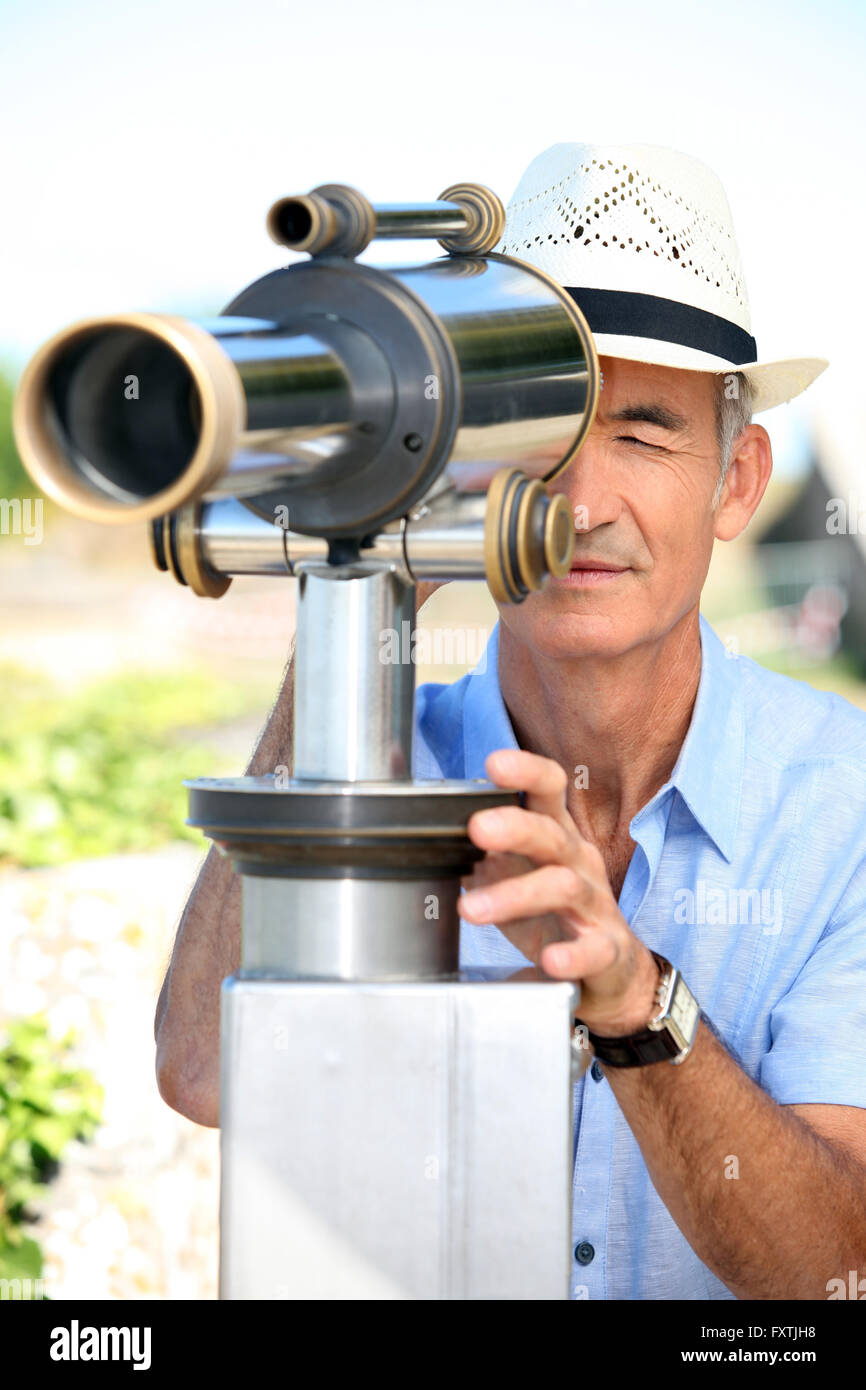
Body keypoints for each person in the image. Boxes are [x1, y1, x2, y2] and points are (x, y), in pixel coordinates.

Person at [155, 142, 866, 1301]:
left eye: (641, 432)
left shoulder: (844, 804)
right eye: (540, 434)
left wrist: (633, 1001)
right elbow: (203, 1075)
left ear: (736, 481)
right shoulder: (368, 761)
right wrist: (363, 569)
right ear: (466, 460)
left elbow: (838, 1270)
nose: (581, 502)